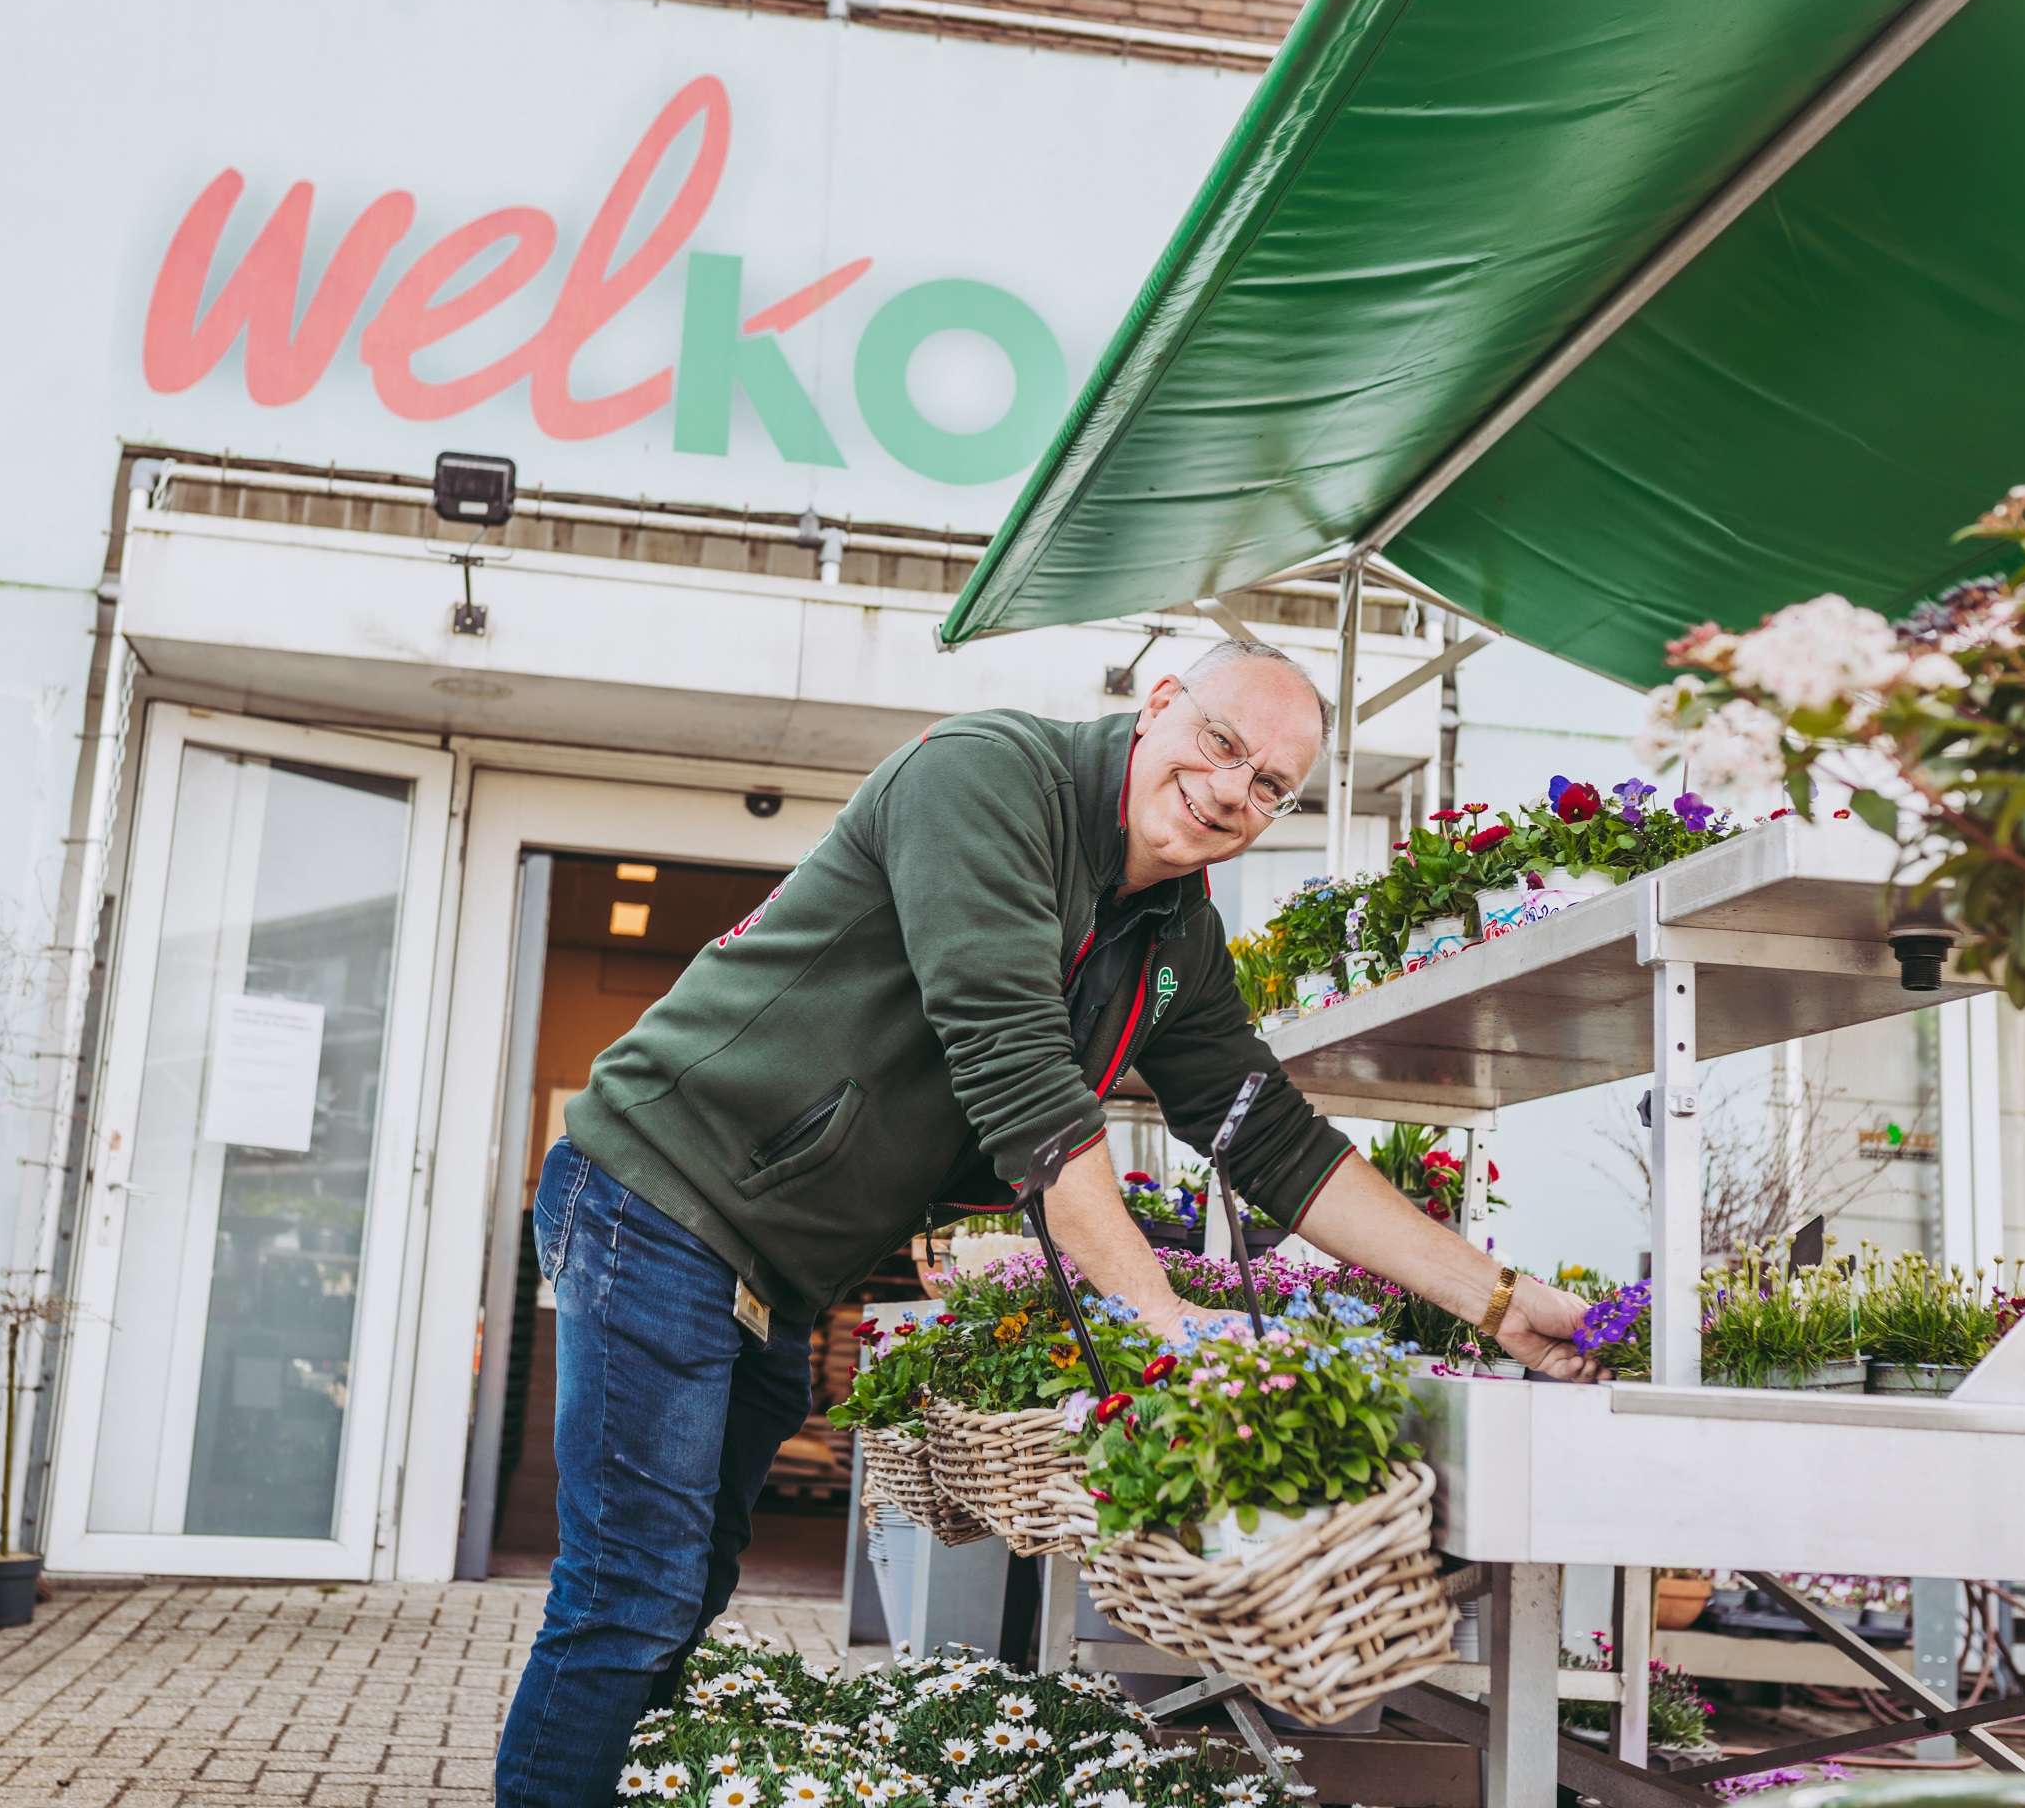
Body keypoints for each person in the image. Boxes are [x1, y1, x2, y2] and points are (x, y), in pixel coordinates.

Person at [492, 639, 1601, 1807]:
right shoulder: (987, 780)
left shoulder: (1173, 932)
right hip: (661, 1193)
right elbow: (1019, 1076)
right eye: (1223, 744)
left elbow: (1270, 1138)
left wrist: (1497, 1299)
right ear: (1158, 703)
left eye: (1271, 785)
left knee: (688, 1580)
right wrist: (1166, 1327)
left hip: (769, 1259)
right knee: (636, 1586)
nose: (1234, 791)